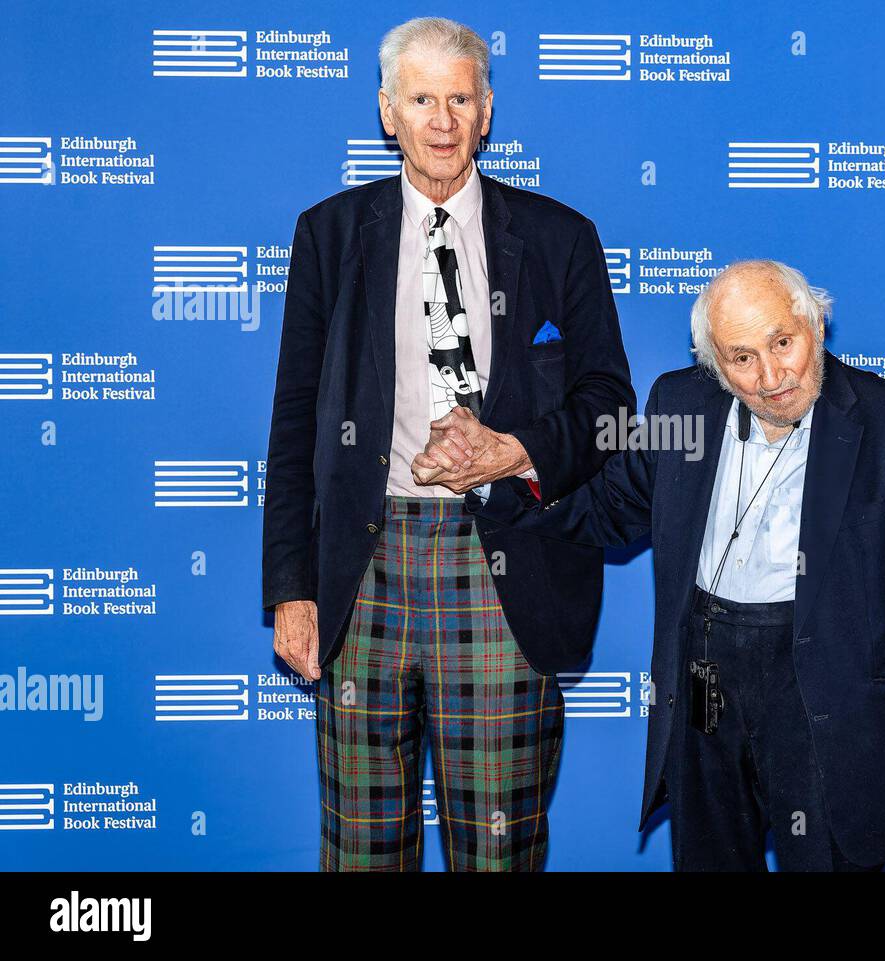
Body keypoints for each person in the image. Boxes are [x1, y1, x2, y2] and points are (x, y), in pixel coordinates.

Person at [417, 260, 885, 871]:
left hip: (826, 701)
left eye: (782, 343)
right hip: (703, 685)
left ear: (815, 323)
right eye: (741, 358)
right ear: (714, 363)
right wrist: (501, 473)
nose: (770, 377)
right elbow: (607, 510)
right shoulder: (679, 404)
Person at [261, 16, 634, 871]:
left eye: (459, 98)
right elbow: (293, 420)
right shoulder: (328, 234)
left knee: (500, 854)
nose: (441, 119)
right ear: (387, 111)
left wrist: (513, 450)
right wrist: (291, 585)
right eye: (421, 98)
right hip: (365, 568)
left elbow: (608, 405)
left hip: (505, 563)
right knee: (361, 848)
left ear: (488, 109)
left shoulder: (558, 237)